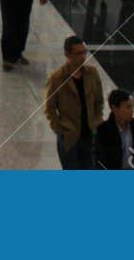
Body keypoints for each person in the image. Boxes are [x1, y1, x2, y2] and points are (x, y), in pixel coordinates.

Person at [44, 35, 103, 170]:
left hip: (89, 134)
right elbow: (50, 107)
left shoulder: (92, 74)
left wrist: (97, 119)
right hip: (69, 136)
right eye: (78, 53)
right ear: (67, 54)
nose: (82, 57)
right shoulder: (57, 78)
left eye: (84, 52)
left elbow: (98, 101)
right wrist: (59, 128)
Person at [95, 88, 134, 170]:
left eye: (132, 106)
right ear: (114, 108)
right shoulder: (102, 131)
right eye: (128, 107)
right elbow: (100, 162)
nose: (132, 111)